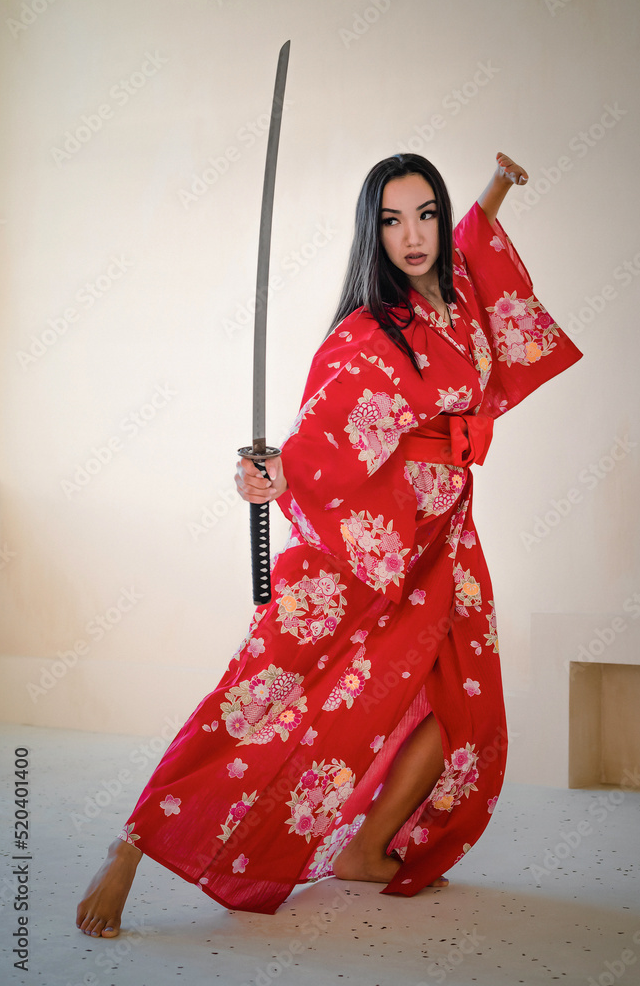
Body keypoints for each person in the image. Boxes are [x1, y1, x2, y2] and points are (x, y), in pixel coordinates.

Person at [76, 151, 582, 937]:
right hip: (371, 541)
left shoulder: (464, 299)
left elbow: (479, 241)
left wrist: (497, 186)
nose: (411, 236)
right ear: (369, 232)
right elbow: (321, 438)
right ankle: (134, 843)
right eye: (390, 220)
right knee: (265, 688)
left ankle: (366, 846)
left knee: (464, 702)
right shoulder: (368, 333)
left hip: (447, 533)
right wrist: (274, 476)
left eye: (425, 214)